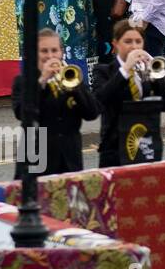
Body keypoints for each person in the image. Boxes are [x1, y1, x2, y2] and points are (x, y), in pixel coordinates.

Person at [91, 19, 165, 169]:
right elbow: (99, 101)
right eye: (128, 41)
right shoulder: (103, 71)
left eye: (138, 41)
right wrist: (125, 70)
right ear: (116, 44)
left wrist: (156, 77)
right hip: (115, 150)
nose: (134, 46)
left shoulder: (145, 72)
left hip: (147, 148)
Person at [11, 28, 100, 179]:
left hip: (70, 160)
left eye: (54, 50)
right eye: (44, 51)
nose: (50, 56)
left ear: (61, 52)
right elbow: (21, 113)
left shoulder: (72, 76)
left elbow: (92, 113)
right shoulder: (23, 81)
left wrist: (76, 87)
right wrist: (42, 80)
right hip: (36, 160)